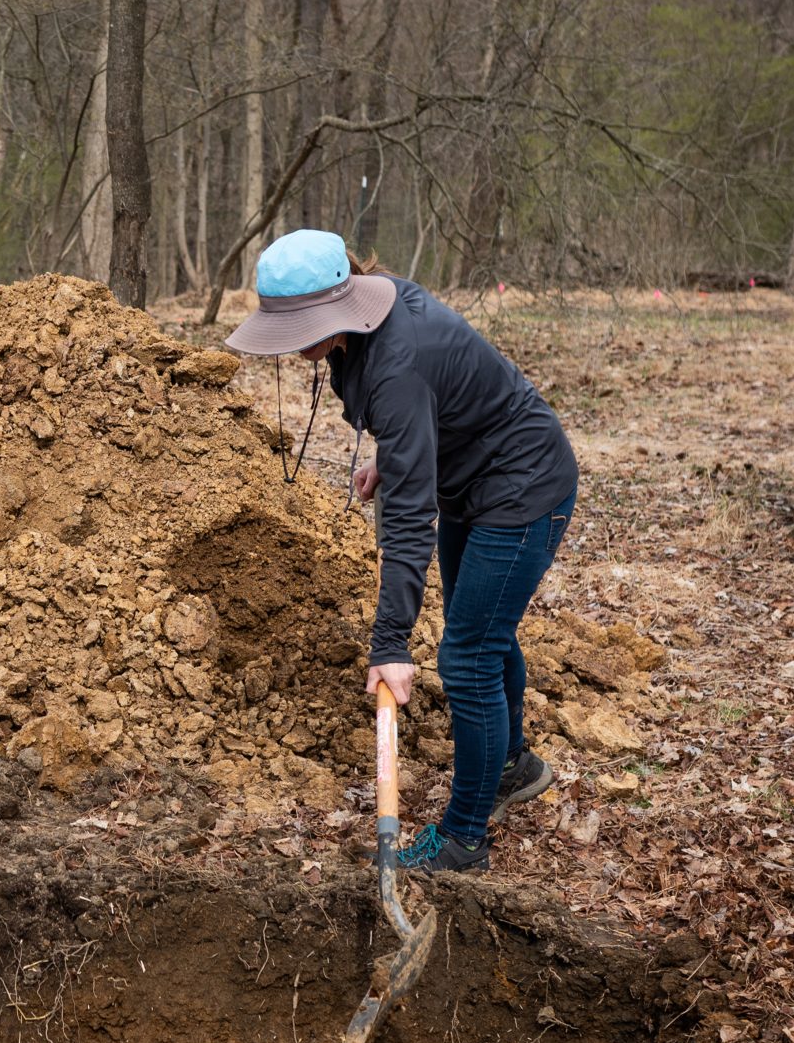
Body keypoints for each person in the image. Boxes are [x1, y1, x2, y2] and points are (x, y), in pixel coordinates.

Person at [225, 229, 578, 873]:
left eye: (299, 328)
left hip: (523, 489)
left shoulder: (396, 360)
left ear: (334, 307)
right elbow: (431, 402)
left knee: (467, 657)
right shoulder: (373, 313)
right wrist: (393, 456)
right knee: (485, 631)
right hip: (474, 479)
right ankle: (512, 766)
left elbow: (411, 521)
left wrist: (389, 644)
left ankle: (464, 840)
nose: (294, 344)